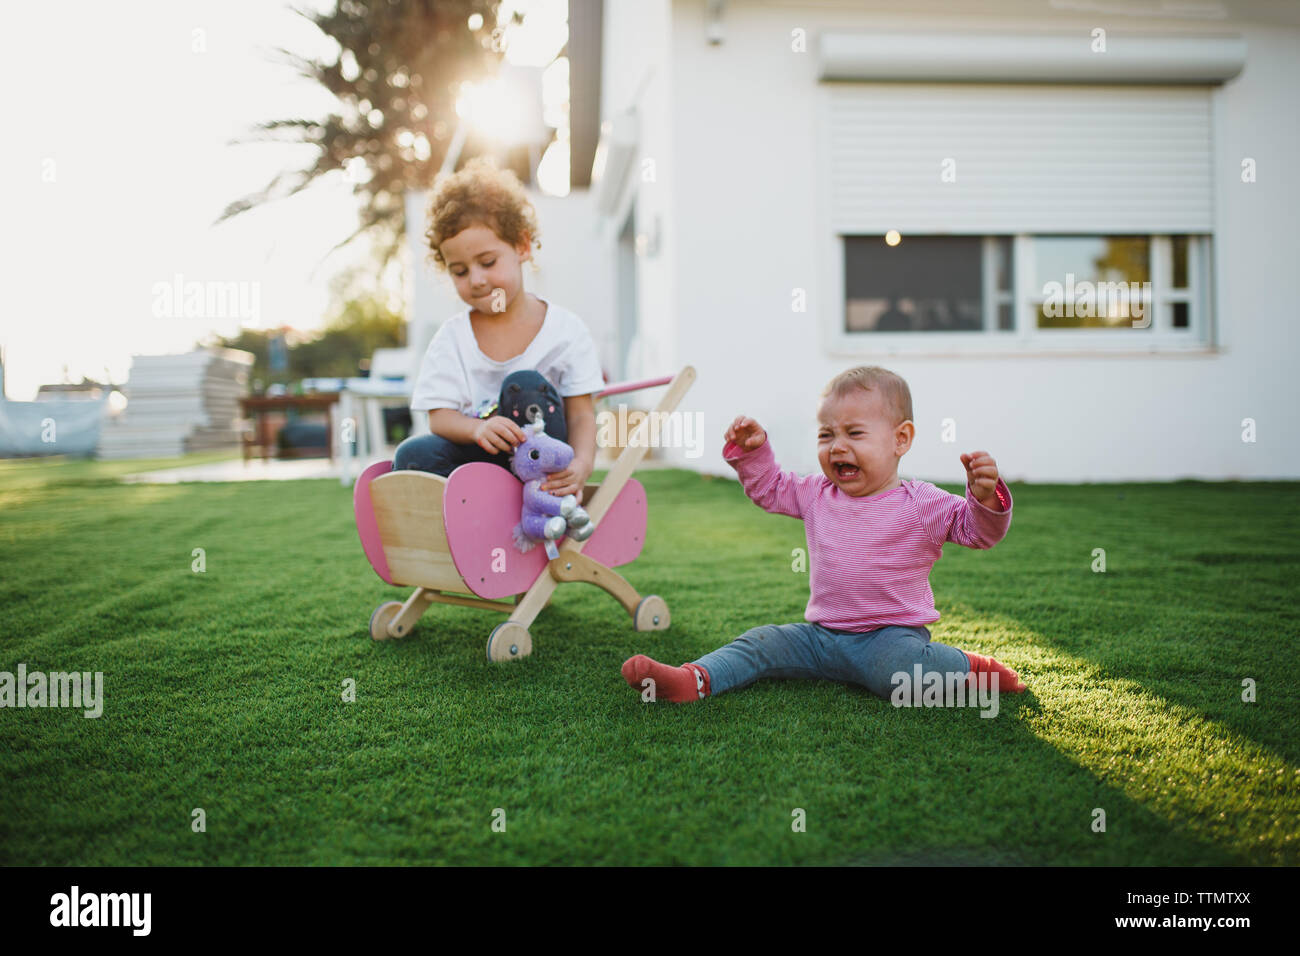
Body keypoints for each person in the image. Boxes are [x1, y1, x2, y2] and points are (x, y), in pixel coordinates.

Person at [622, 365, 1027, 704]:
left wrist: (984, 499)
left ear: (900, 440)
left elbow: (977, 533)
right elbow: (771, 489)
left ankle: (972, 668)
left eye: (854, 433)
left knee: (899, 677)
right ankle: (692, 680)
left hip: (889, 640)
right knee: (761, 641)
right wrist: (754, 453)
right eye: (826, 434)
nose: (837, 446)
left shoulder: (922, 503)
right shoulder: (817, 492)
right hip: (820, 637)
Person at [393, 158, 604, 500]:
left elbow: (581, 415)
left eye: (488, 262)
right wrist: (478, 428)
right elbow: (440, 417)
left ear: (521, 246)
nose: (476, 280)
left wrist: (581, 465)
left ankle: (541, 502)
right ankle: (478, 512)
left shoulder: (566, 330)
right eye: (459, 271)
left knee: (525, 386)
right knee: (411, 455)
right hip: (482, 463)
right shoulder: (452, 337)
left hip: (542, 466)